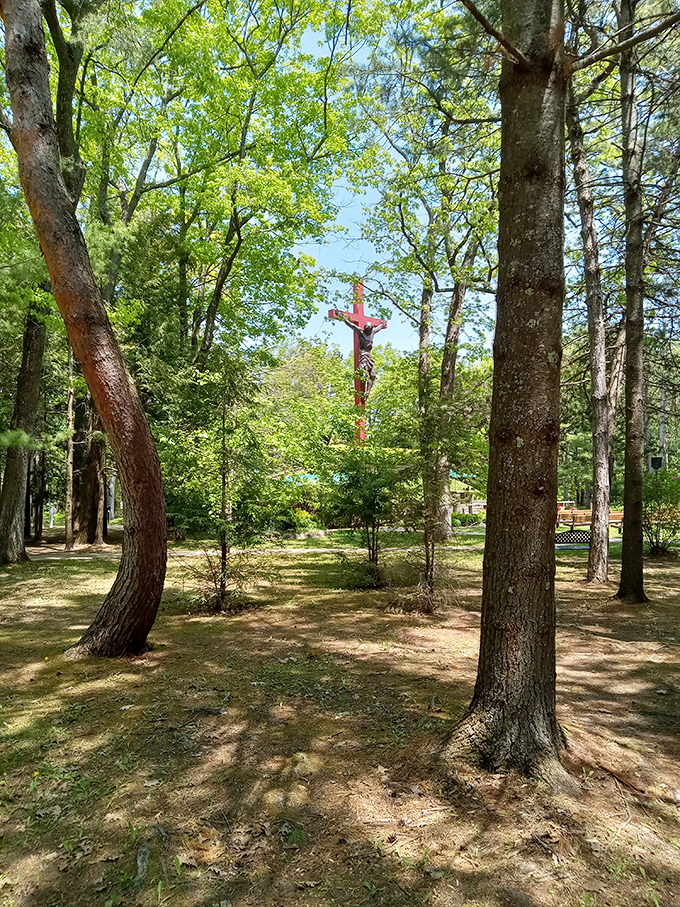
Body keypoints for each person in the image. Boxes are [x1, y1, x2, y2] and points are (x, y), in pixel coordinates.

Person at [341, 315, 388, 399]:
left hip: (369, 356)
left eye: (370, 329)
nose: (369, 331)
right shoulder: (361, 332)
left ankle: (367, 392)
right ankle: (362, 393)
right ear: (365, 328)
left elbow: (379, 328)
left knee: (373, 375)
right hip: (362, 355)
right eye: (368, 329)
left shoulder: (373, 332)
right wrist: (343, 317)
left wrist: (382, 324)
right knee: (364, 374)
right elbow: (352, 325)